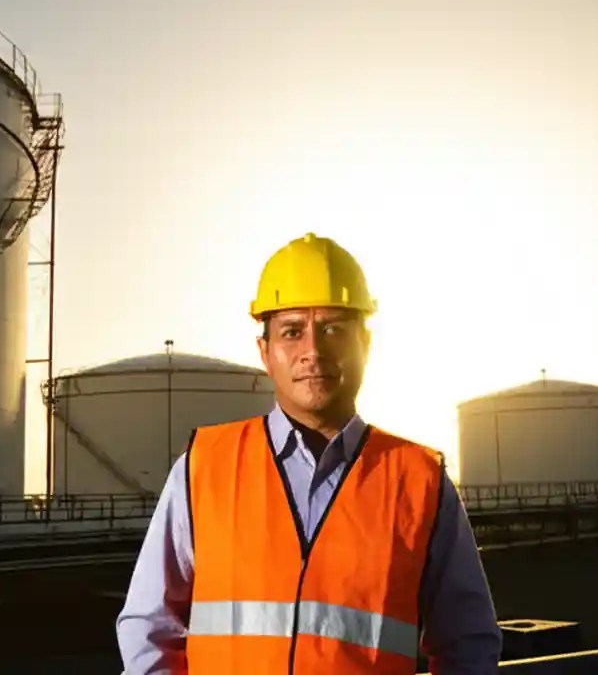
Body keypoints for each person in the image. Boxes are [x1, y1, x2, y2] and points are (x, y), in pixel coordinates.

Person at [115, 232, 502, 674]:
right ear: (265, 351)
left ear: (367, 346)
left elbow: (467, 644)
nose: (313, 352)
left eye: (334, 329)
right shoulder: (204, 468)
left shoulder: (419, 481)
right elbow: (150, 627)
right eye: (292, 332)